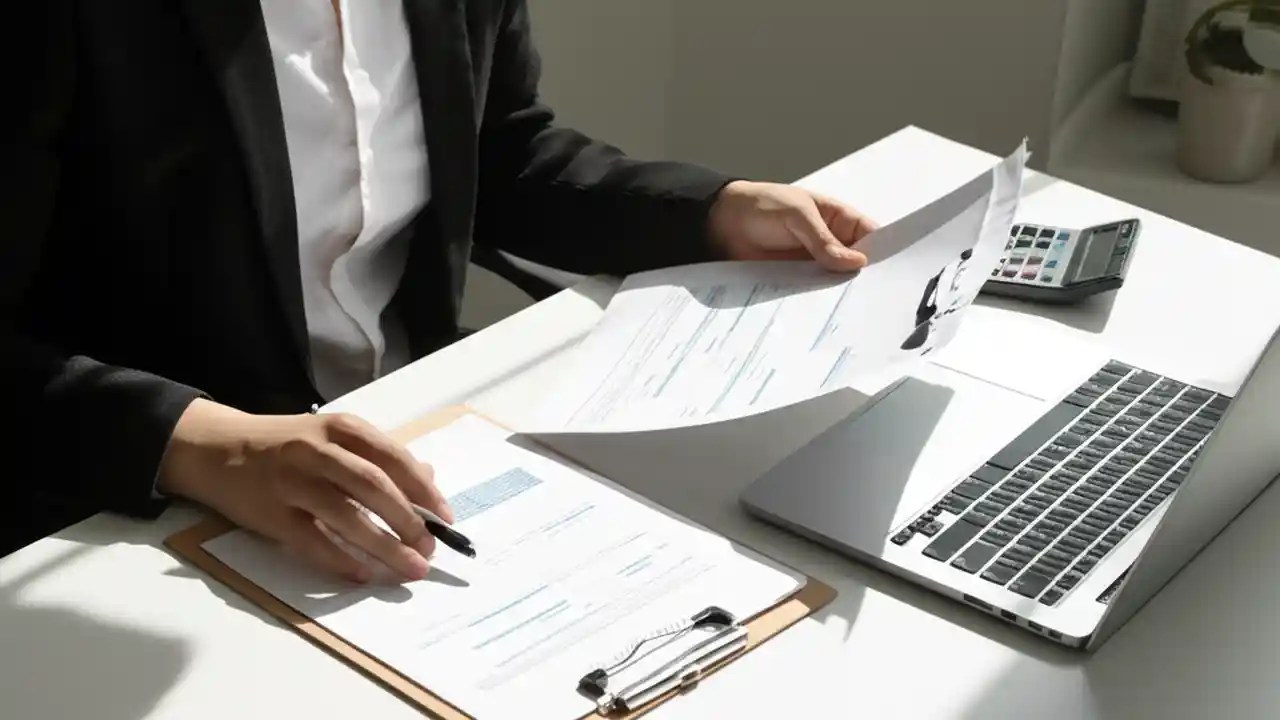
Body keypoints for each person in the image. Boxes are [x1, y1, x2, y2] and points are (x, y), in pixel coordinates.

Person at [3, 2, 876, 580]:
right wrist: (204, 444)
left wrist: (710, 214)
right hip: (128, 514)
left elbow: (497, 152)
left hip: (420, 443)